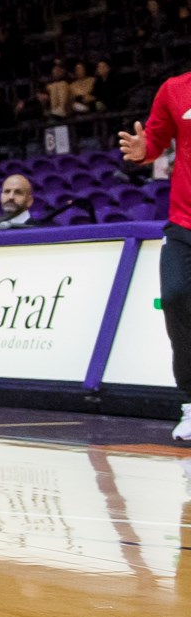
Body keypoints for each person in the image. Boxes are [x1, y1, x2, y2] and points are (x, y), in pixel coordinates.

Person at [120, 82, 191, 441]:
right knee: (176, 296)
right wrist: (143, 149)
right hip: (184, 223)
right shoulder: (174, 90)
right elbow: (155, 141)